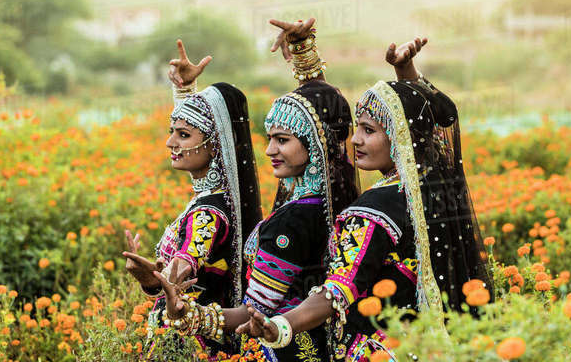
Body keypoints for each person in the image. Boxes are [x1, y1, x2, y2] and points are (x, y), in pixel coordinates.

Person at [236, 38, 493, 361]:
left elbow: (337, 290)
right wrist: (405, 73)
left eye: (369, 130)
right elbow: (429, 118)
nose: (355, 139)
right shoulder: (431, 188)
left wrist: (281, 327)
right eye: (357, 128)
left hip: (374, 351)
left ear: (402, 136)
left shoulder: (372, 210)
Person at [152, 19, 360, 361]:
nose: (269, 151)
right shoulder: (332, 199)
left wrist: (188, 315)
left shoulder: (291, 221)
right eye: (270, 139)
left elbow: (254, 315)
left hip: (287, 349)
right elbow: (328, 111)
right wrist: (304, 52)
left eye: (283, 140)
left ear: (314, 142)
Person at [122, 40, 262, 360]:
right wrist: (185, 90)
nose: (170, 142)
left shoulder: (209, 215)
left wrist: (158, 278)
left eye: (183, 135)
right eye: (173, 131)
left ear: (215, 146)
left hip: (193, 346)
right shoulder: (214, 201)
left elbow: (186, 263)